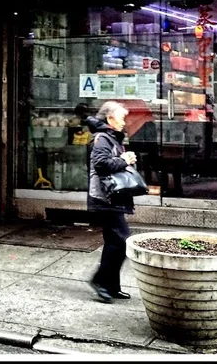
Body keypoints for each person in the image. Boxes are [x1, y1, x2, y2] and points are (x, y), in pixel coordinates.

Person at [86, 101, 137, 304]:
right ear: (109, 118)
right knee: (122, 240)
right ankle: (100, 281)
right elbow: (101, 163)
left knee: (114, 242)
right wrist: (125, 160)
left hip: (112, 196)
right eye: (121, 117)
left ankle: (111, 286)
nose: (124, 122)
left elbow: (112, 161)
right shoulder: (103, 138)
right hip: (105, 197)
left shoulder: (111, 137)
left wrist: (126, 158)